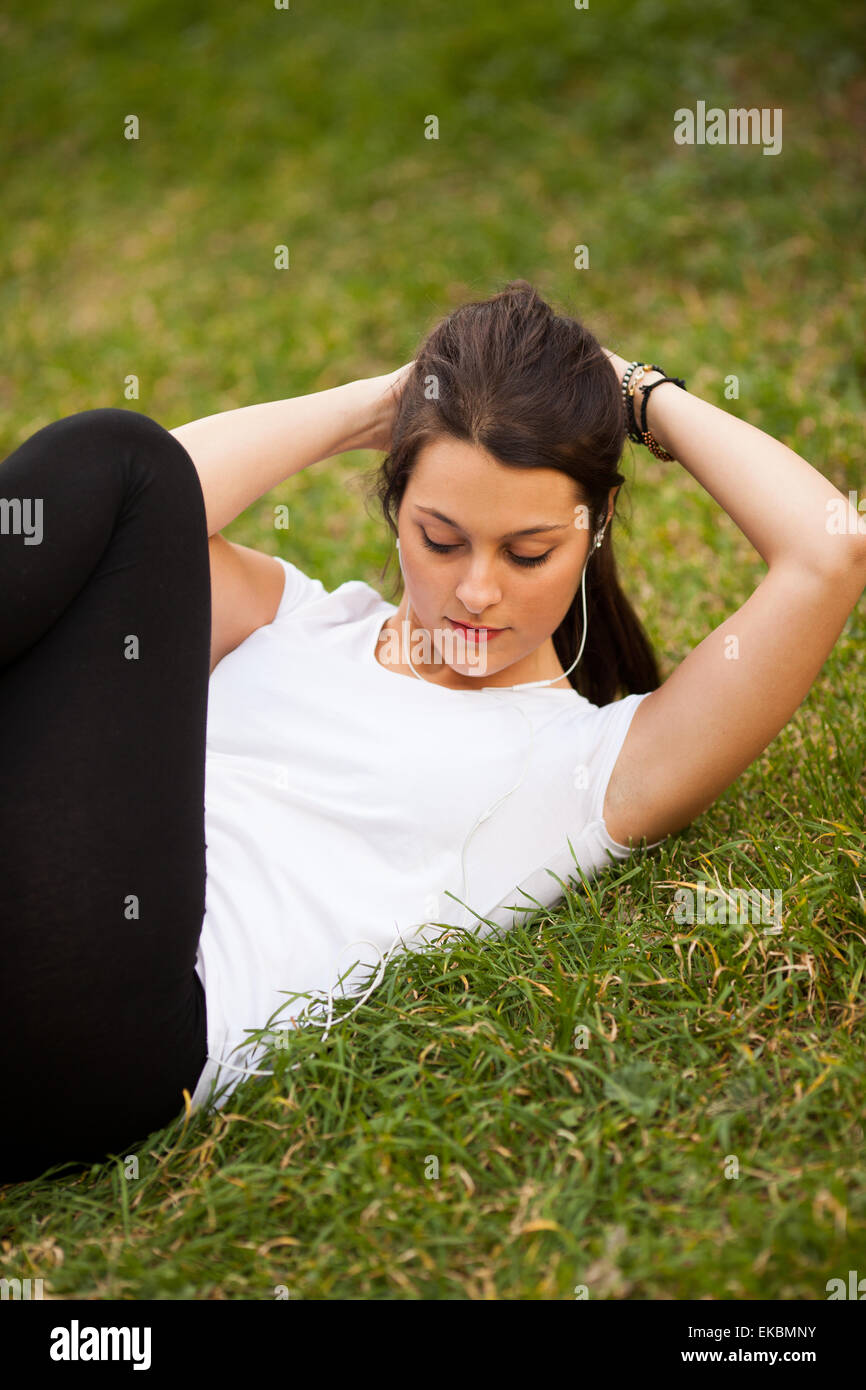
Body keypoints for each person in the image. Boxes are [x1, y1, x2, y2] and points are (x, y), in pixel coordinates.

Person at [2, 280, 863, 1183]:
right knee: (119, 477)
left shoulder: (588, 766)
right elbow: (118, 523)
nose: (478, 591)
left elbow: (830, 548)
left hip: (115, 1025)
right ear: (393, 505)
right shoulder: (296, 616)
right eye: (441, 538)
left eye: (529, 552)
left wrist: (638, 395)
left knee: (120, 456)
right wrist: (390, 398)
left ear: (596, 526)